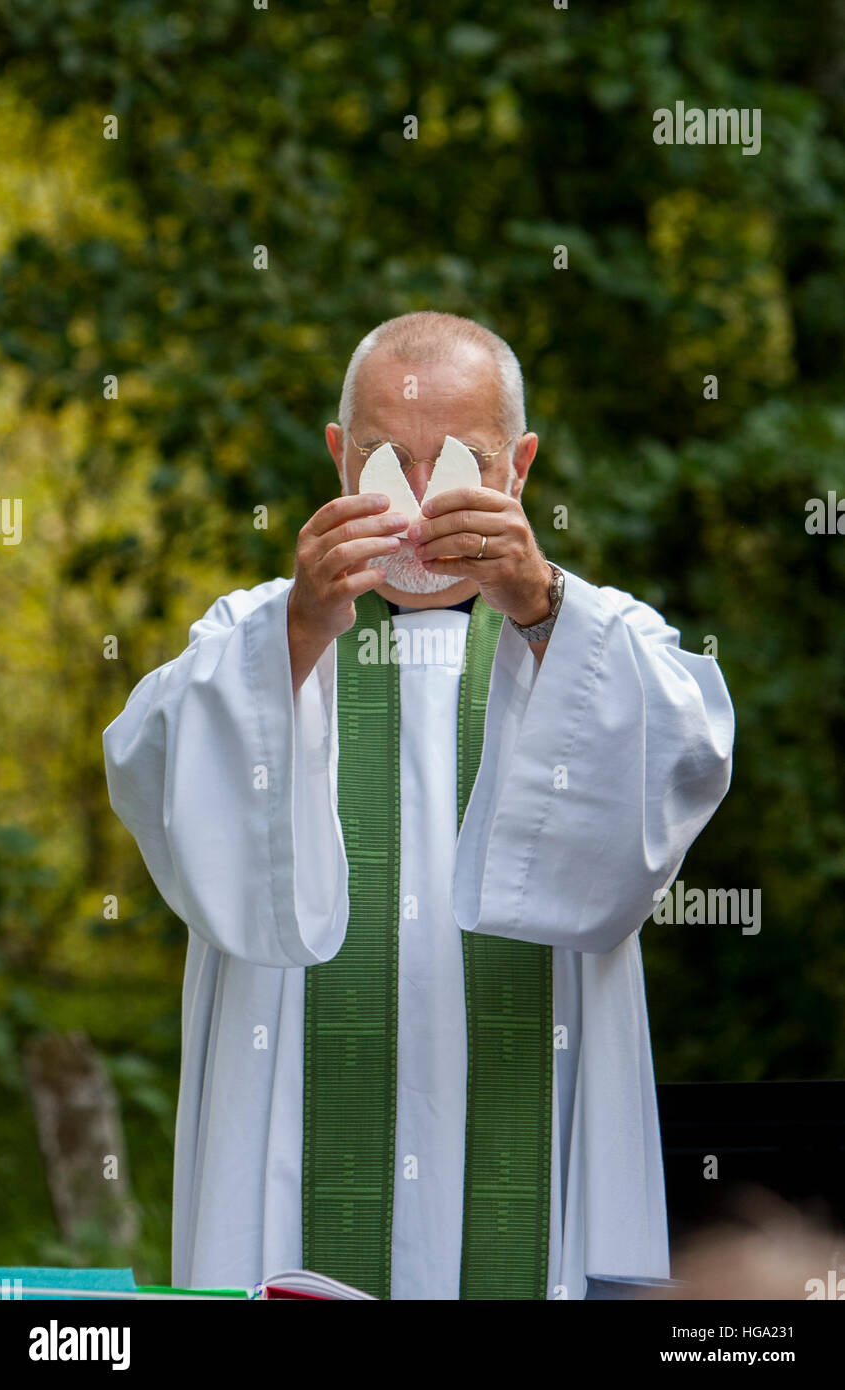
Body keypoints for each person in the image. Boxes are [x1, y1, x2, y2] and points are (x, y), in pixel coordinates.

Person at [102, 310, 735, 1300]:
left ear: (517, 466)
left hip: (527, 1141)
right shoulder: (252, 637)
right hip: (295, 1155)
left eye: (461, 461)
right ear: (335, 458)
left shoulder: (594, 643)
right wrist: (299, 630)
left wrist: (541, 607)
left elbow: (685, 758)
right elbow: (152, 763)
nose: (420, 489)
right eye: (384, 458)